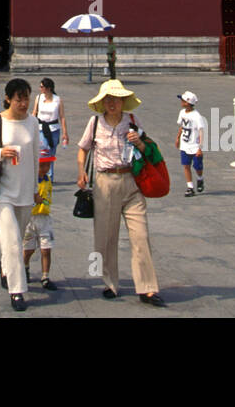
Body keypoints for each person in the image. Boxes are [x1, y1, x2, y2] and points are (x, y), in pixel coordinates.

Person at [76, 79, 166, 306]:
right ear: (102, 102)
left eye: (115, 99)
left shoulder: (133, 121)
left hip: (131, 181)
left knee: (140, 236)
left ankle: (147, 287)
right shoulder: (95, 123)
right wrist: (81, 172)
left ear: (123, 101)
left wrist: (140, 143)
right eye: (108, 99)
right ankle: (110, 283)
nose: (112, 103)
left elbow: (149, 149)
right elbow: (83, 148)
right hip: (105, 182)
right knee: (106, 237)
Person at [0, 78, 41, 311]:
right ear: (8, 99)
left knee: (18, 237)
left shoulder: (33, 122)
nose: (23, 103)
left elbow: (35, 158)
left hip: (24, 191)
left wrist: (36, 189)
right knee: (13, 242)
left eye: (26, 98)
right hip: (2, 191)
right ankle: (17, 291)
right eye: (18, 99)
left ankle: (6, 267)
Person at [22, 150, 58, 290]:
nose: (45, 169)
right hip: (30, 219)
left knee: (46, 249)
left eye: (47, 165)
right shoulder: (29, 181)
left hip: (44, 219)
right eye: (42, 166)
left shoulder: (47, 180)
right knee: (28, 249)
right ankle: (25, 268)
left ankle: (45, 276)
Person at [33, 77, 68, 169]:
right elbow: (34, 113)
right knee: (44, 151)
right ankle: (43, 174)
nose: (40, 89)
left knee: (52, 153)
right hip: (41, 128)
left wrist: (65, 133)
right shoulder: (38, 98)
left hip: (54, 128)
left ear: (48, 88)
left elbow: (62, 117)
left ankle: (49, 176)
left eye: (42, 87)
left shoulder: (58, 100)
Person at [176, 90, 205, 197]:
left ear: (187, 103)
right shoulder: (182, 113)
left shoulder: (197, 116)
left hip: (195, 145)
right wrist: (178, 138)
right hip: (185, 144)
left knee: (198, 167)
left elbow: (201, 132)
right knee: (186, 165)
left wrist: (200, 148)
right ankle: (190, 187)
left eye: (182, 100)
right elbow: (182, 126)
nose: (181, 102)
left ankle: (200, 178)